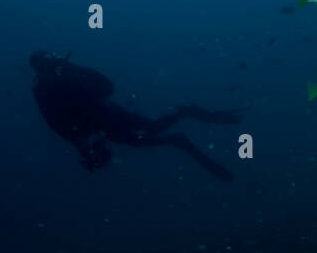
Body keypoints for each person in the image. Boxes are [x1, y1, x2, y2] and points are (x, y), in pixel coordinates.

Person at [29, 52, 241, 181]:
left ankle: (181, 129)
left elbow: (57, 121)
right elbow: (103, 89)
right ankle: (183, 119)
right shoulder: (52, 83)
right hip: (106, 116)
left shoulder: (51, 83)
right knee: (149, 132)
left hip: (103, 119)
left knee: (144, 136)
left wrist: (81, 144)